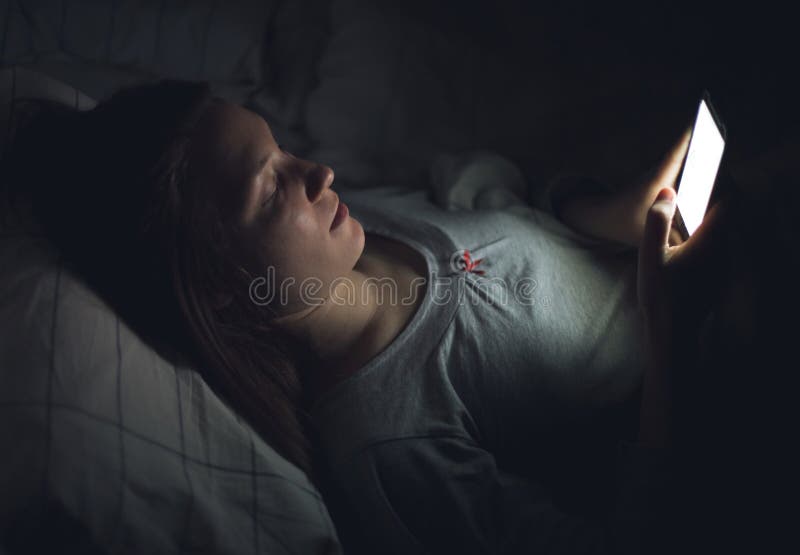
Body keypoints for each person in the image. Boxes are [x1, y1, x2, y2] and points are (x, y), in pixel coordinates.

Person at [1, 78, 756, 554]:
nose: (318, 171)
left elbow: (512, 205)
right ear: (223, 288)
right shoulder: (393, 447)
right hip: (716, 364)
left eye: (283, 149)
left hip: (671, 260)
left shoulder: (362, 224)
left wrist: (613, 213)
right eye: (272, 188)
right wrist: (665, 327)